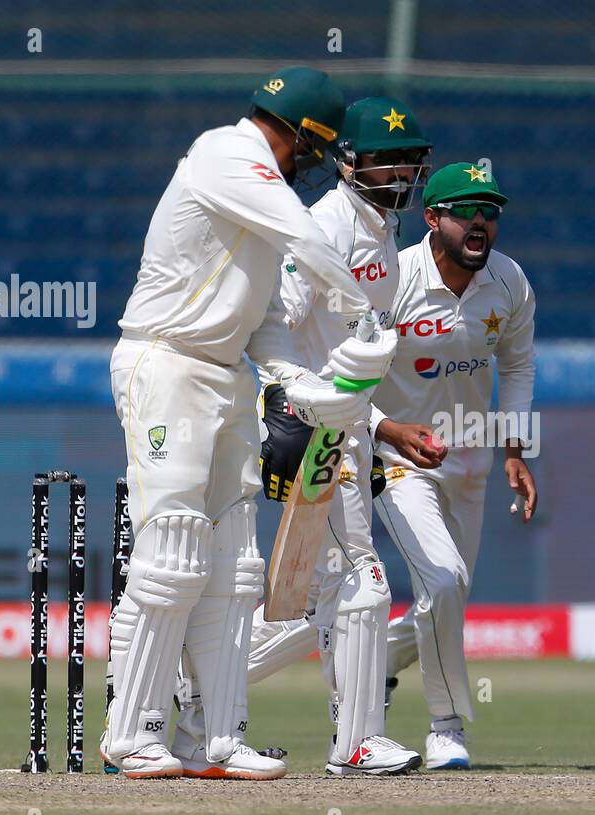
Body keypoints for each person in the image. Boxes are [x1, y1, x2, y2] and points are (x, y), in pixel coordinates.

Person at [103, 66, 396, 780]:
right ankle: (132, 736)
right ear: (300, 135)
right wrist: (361, 310)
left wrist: (300, 382)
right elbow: (304, 235)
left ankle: (217, 738)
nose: (309, 171)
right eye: (311, 154)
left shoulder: (262, 207)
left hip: (227, 375)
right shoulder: (225, 157)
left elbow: (265, 318)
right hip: (166, 363)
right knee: (172, 551)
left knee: (236, 565)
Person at [178, 96, 441, 776]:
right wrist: (285, 408)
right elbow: (278, 327)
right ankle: (355, 743)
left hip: (346, 429)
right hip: (314, 428)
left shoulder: (380, 231)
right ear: (348, 163)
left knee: (315, 604)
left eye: (410, 162)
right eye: (387, 163)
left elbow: (348, 350)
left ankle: (196, 688)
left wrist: (376, 428)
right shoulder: (326, 227)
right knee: (362, 577)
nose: (402, 175)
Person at [376, 162, 538, 770]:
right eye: (465, 211)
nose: (479, 221)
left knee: (446, 595)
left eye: (489, 212)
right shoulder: (395, 278)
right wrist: (387, 431)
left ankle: (376, 664)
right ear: (431, 219)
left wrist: (515, 451)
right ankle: (446, 727)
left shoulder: (509, 281)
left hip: (468, 458)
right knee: (442, 582)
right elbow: (348, 372)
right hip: (397, 457)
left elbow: (517, 367)